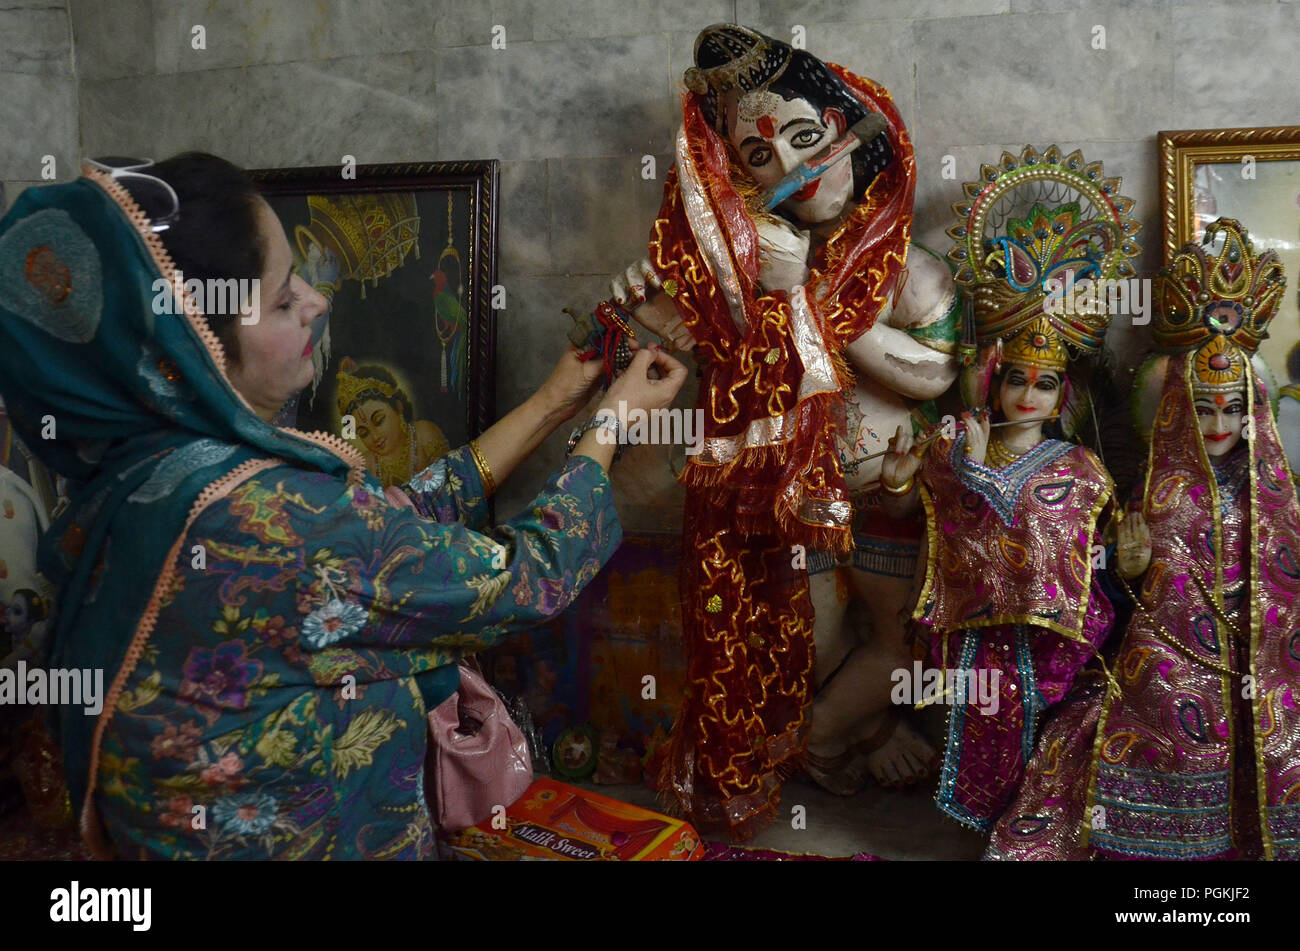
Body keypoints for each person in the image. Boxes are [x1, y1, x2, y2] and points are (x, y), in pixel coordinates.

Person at [0, 152, 686, 859]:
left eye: (298, 275)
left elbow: (392, 518)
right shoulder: (273, 520)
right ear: (183, 350)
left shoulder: (147, 481)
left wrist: (551, 404)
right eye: (281, 299)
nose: (317, 300)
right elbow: (528, 575)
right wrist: (614, 421)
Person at [611, 23, 956, 837]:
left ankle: (846, 734)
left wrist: (810, 300)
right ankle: (842, 736)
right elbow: (688, 336)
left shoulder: (901, 261)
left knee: (899, 643)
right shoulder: (749, 262)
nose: (791, 171)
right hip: (784, 512)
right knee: (796, 637)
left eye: (807, 139)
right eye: (759, 159)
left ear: (846, 128)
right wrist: (659, 299)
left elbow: (938, 372)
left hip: (894, 507)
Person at [987, 219, 1299, 860]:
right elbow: (1108, 588)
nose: (1217, 423)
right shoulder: (1151, 488)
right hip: (1173, 658)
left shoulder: (1278, 495)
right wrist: (1126, 568)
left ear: (1253, 410)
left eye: (1231, 407)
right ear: (1177, 403)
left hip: (1264, 661)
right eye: (1203, 405)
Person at [879, 145, 1139, 831]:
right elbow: (923, 510)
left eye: (1043, 382)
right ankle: (993, 826)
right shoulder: (951, 441)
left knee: (1041, 741)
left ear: (1062, 394)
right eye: (1016, 377)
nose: (1027, 393)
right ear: (996, 379)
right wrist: (901, 480)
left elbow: (1095, 560)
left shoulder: (1081, 470)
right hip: (969, 632)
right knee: (974, 732)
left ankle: (1035, 823)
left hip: (1048, 640)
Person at [334, 358, 451, 485]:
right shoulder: (366, 465)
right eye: (364, 433)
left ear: (398, 406)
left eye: (379, 421)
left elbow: (449, 487)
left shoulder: (424, 434)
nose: (375, 436)